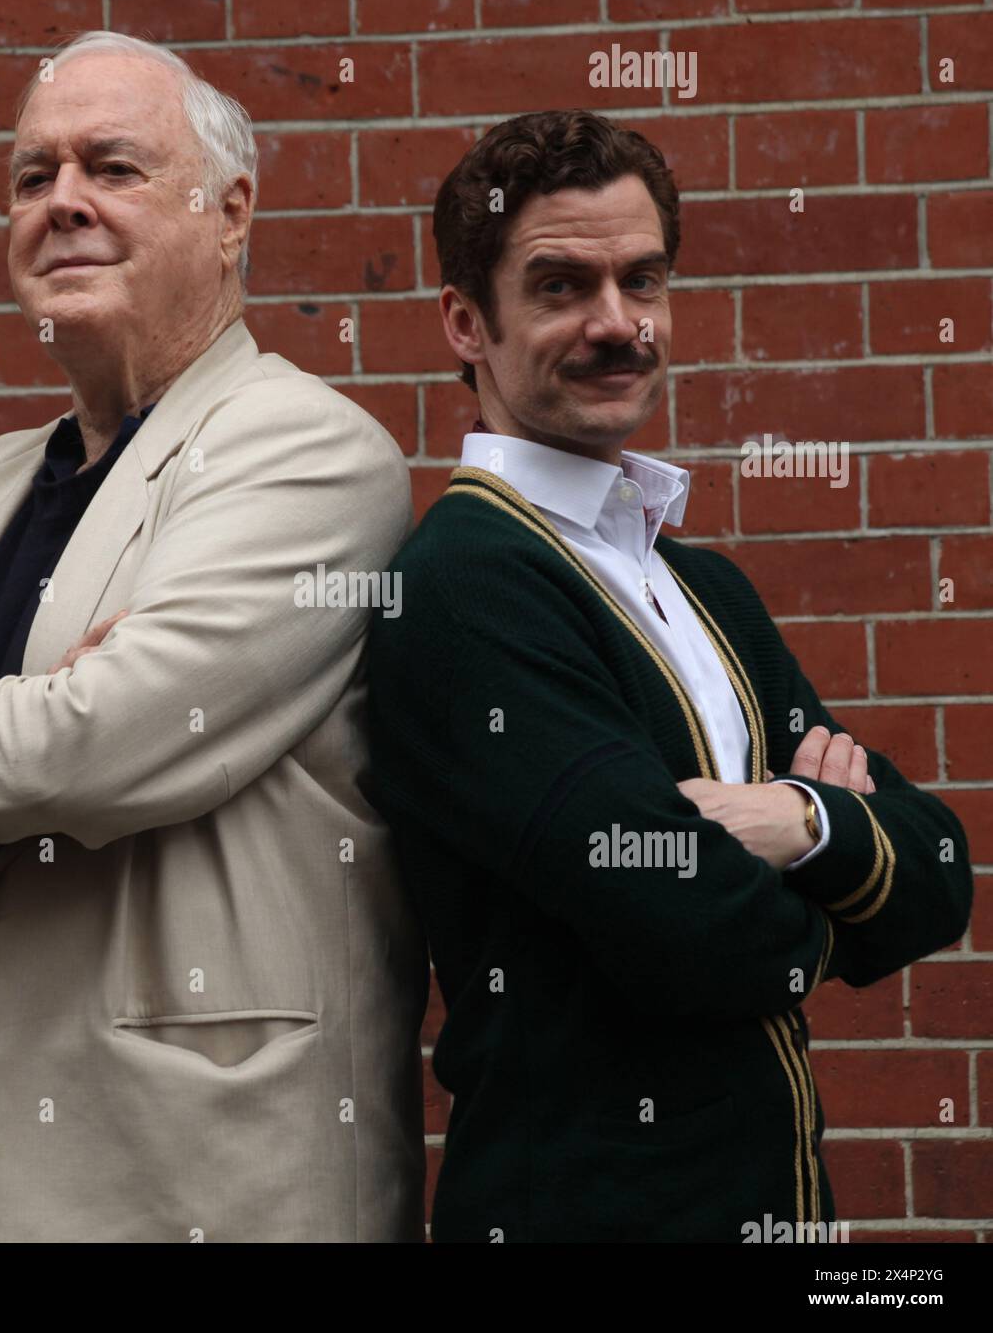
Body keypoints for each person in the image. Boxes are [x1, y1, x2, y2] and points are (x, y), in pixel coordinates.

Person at [0, 31, 427, 1243]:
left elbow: (100, 740)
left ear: (229, 214)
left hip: (169, 1180)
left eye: (111, 166)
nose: (63, 203)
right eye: (32, 176)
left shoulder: (307, 451)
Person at [364, 109, 973, 1243]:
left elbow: (941, 867)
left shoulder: (706, 587)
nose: (616, 324)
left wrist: (793, 822)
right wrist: (838, 847)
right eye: (559, 287)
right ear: (465, 323)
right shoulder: (464, 587)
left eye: (641, 281)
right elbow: (693, 925)